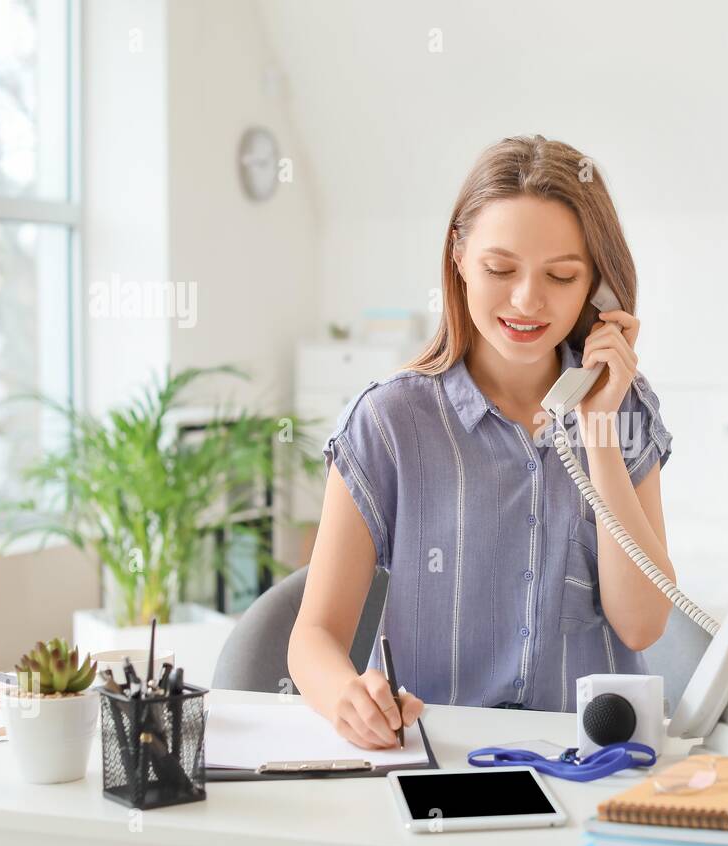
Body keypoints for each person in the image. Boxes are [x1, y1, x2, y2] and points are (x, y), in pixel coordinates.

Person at [288, 134, 675, 749]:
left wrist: (598, 427)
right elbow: (315, 636)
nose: (527, 300)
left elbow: (643, 623)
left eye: (561, 275)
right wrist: (347, 698)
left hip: (591, 760)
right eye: (500, 269)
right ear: (460, 258)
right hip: (441, 758)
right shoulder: (387, 423)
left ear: (596, 289)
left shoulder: (622, 410)